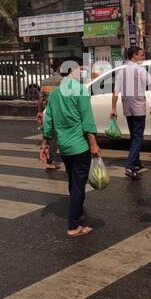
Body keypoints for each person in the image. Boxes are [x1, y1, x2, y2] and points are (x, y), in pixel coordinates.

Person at [41, 63, 100, 237]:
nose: (82, 72)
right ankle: (74, 225)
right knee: (78, 187)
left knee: (73, 183)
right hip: (80, 146)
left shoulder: (56, 93)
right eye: (80, 69)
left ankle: (78, 218)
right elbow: (87, 119)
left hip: (65, 148)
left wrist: (45, 145)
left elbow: (48, 121)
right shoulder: (80, 89)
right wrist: (94, 144)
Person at [111, 46, 151, 179]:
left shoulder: (121, 71)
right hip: (139, 106)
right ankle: (129, 165)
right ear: (134, 56)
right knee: (138, 136)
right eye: (141, 55)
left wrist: (113, 108)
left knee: (134, 135)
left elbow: (115, 92)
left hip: (127, 107)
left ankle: (136, 162)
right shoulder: (140, 70)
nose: (143, 57)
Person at [37, 58, 65, 170]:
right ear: (59, 68)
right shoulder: (63, 81)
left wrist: (39, 112)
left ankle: (48, 157)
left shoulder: (45, 82)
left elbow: (40, 99)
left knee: (49, 135)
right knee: (59, 136)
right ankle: (50, 159)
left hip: (47, 111)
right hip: (60, 111)